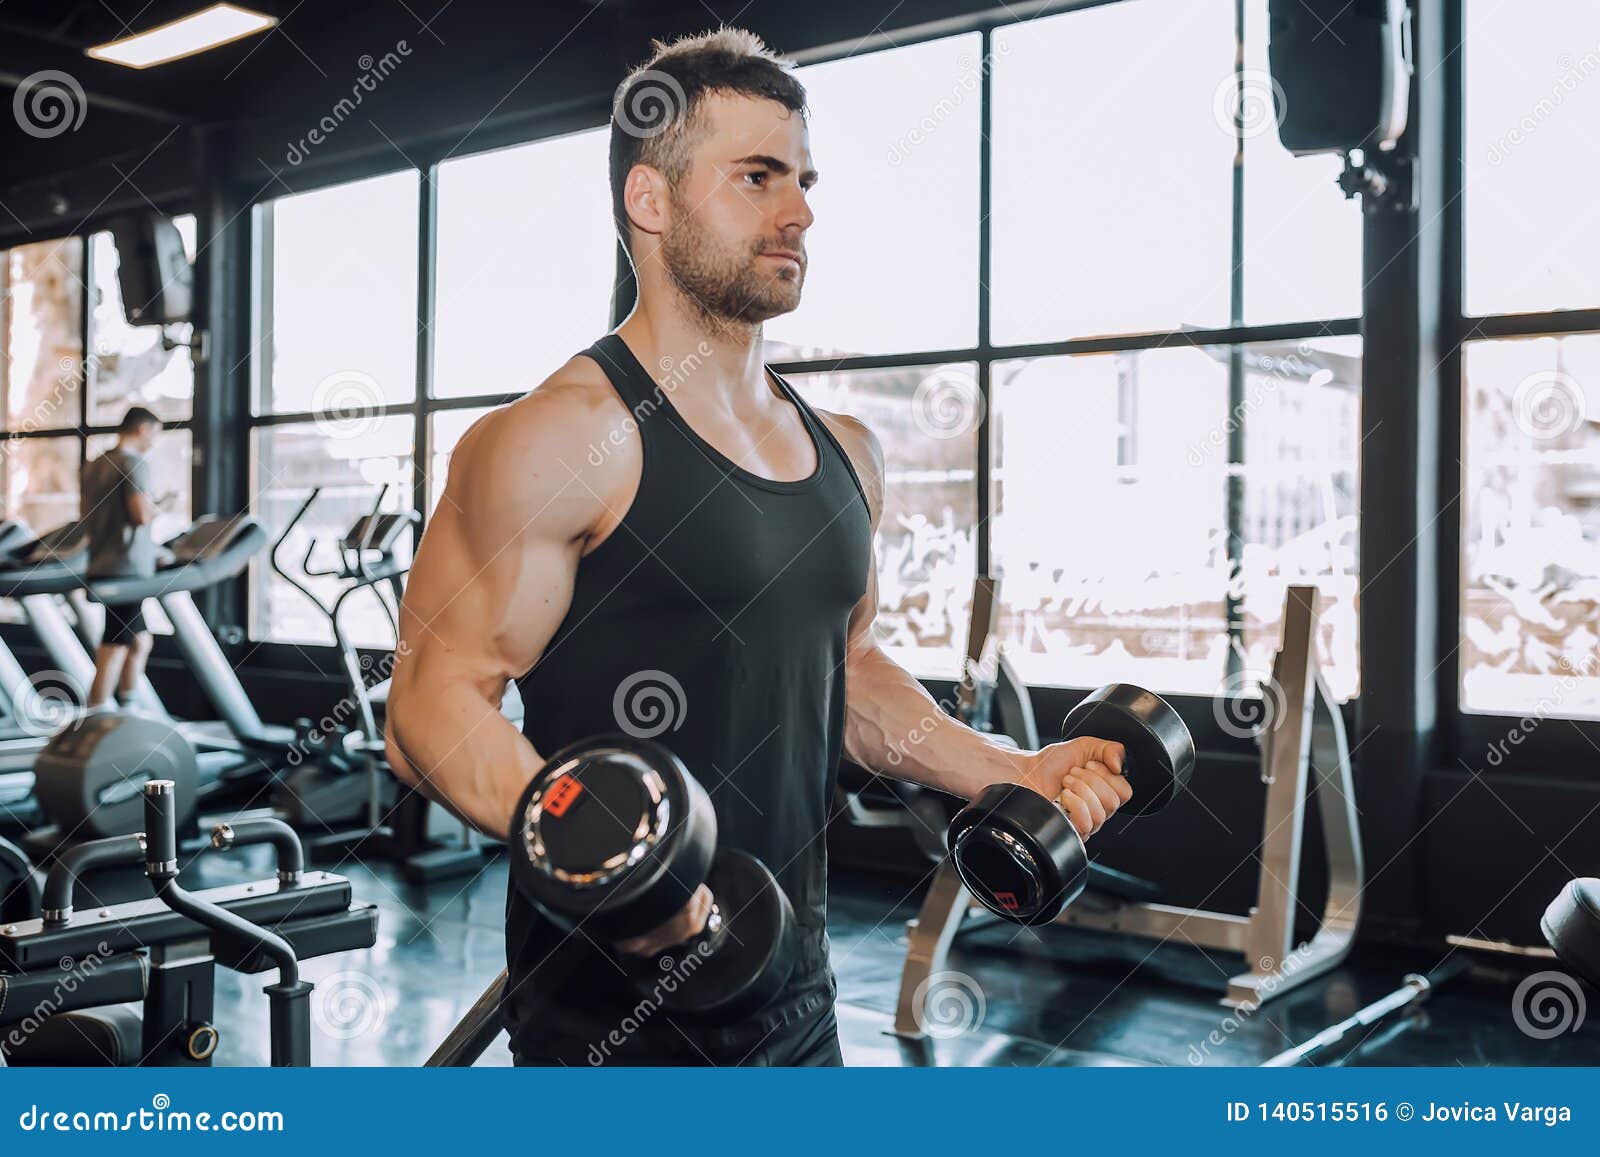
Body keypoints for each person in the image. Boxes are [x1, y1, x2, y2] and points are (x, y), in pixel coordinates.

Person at [386, 28, 1132, 1066]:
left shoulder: (847, 452)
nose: (800, 211)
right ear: (650, 199)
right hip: (607, 1029)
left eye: (804, 180)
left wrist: (1007, 768)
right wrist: (616, 864)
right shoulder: (559, 438)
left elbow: (846, 674)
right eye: (757, 177)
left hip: (796, 995)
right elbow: (430, 706)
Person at [81, 405, 170, 711]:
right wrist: (163, 506)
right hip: (127, 567)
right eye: (154, 434)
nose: (154, 442)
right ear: (142, 429)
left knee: (139, 641)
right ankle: (95, 713)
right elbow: (140, 515)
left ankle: (128, 709)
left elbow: (86, 514)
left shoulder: (95, 464)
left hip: (101, 561)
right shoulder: (134, 463)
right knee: (115, 643)